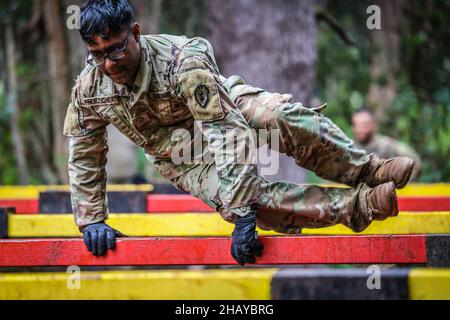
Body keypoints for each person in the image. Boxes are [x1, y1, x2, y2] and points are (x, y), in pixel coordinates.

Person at [64, 0, 415, 265]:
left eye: (116, 49)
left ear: (136, 33)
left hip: (223, 109)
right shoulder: (90, 88)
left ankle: (368, 169)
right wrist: (91, 219)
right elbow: (84, 152)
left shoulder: (182, 60)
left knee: (280, 118)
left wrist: (243, 212)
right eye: (97, 54)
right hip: (179, 154)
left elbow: (225, 130)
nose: (109, 64)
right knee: (246, 201)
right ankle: (361, 204)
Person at [352, 108, 421, 180]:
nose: (360, 129)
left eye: (364, 124)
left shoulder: (386, 145)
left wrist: (402, 185)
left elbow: (414, 162)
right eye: (356, 124)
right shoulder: (349, 148)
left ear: (374, 125)